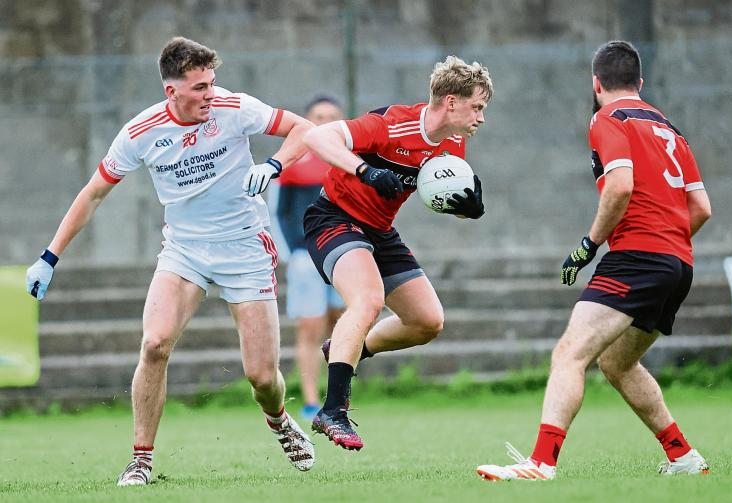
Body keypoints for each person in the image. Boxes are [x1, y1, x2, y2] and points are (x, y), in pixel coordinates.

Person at [25, 37, 316, 485]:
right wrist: (49, 256)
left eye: (212, 84)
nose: (210, 95)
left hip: (244, 247)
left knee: (261, 377)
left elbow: (302, 129)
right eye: (200, 87)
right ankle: (140, 459)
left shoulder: (235, 108)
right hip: (184, 250)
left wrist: (274, 165)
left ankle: (277, 418)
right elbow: (94, 193)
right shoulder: (140, 132)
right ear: (172, 91)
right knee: (154, 343)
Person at [475, 40, 712, 481]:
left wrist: (589, 244)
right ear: (640, 82)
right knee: (616, 362)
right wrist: (666, 243)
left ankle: (541, 463)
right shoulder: (669, 128)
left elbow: (620, 186)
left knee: (569, 353)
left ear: (596, 83)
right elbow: (701, 208)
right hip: (677, 264)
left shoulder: (607, 118)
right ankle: (682, 456)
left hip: (637, 258)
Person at [302, 56, 493, 450]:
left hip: (380, 230)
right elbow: (317, 139)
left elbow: (439, 196)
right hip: (333, 217)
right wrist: (365, 170)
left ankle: (345, 349)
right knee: (368, 299)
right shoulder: (392, 123)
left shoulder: (453, 145)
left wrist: (466, 208)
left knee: (427, 321)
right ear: (451, 102)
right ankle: (332, 412)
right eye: (477, 107)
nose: (481, 118)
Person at [274, 95, 346, 421]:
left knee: (341, 323)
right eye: (319, 115)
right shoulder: (295, 156)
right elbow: (279, 212)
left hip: (343, 253)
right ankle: (310, 400)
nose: (325, 120)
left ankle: (338, 398)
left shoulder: (348, 157)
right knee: (310, 327)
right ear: (307, 119)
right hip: (306, 255)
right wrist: (293, 251)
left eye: (332, 116)